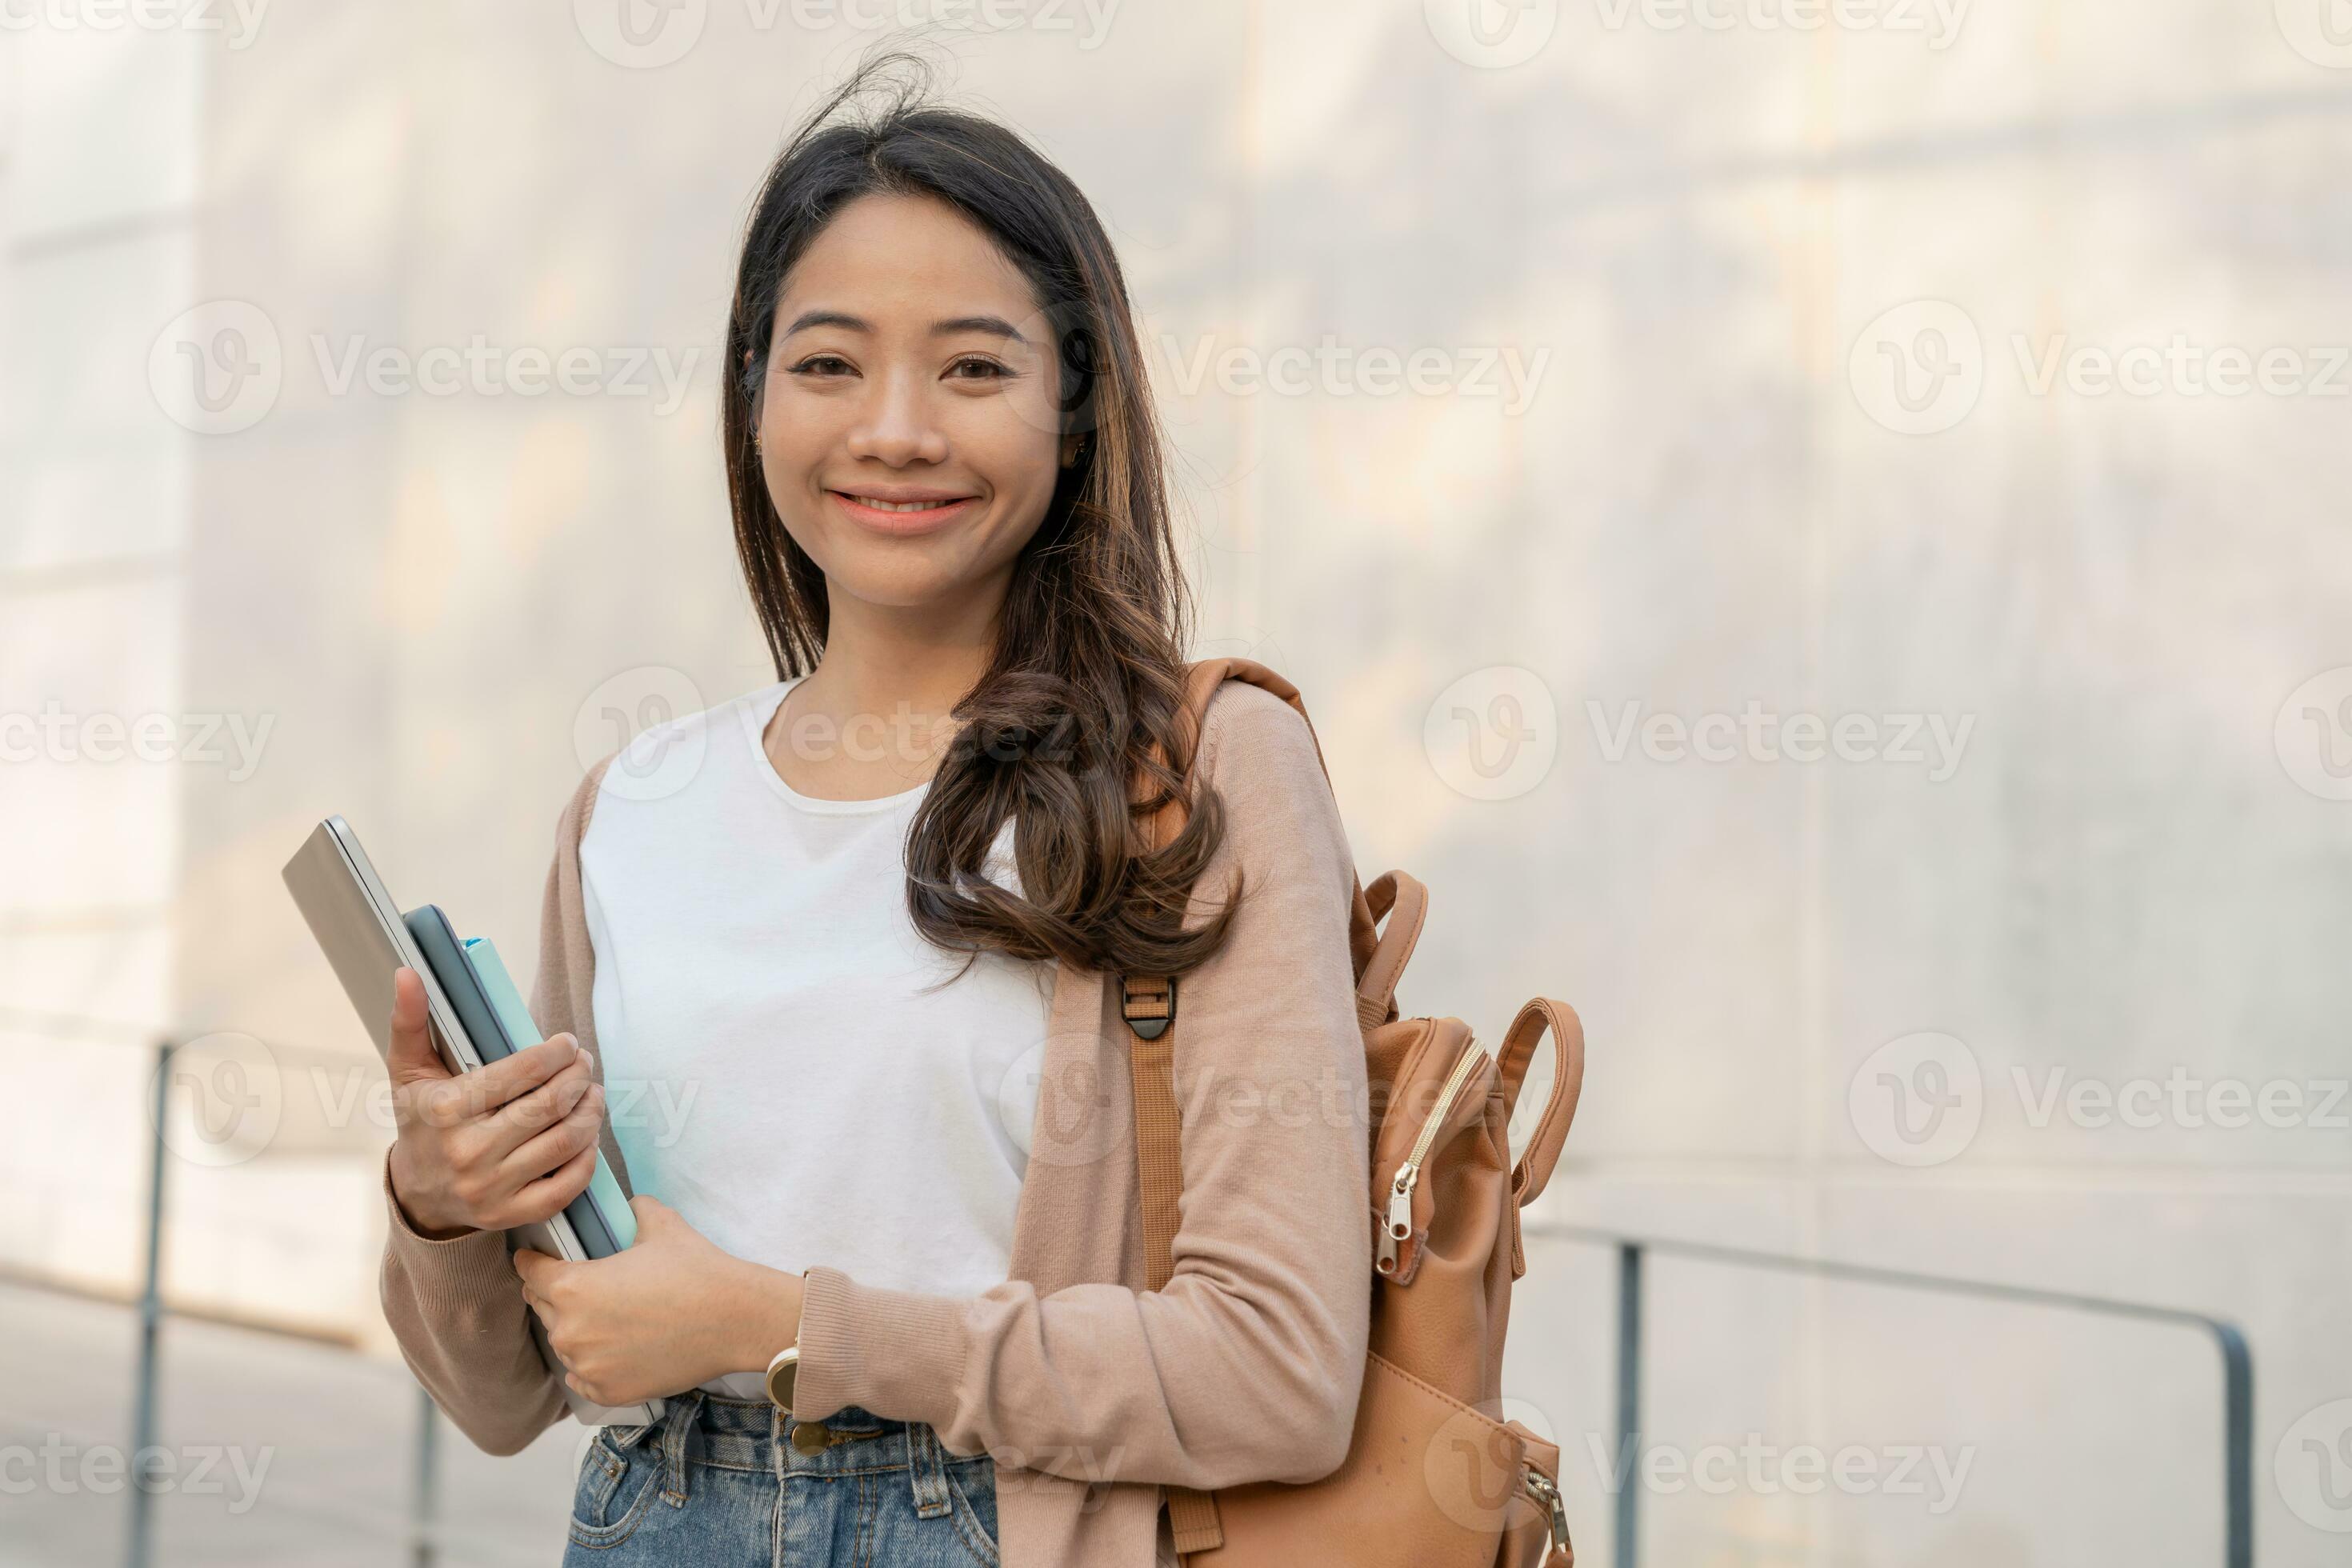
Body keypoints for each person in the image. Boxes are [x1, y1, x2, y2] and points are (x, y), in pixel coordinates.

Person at [374, 54, 1372, 1568]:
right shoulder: (632, 809)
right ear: (754, 396)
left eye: (974, 369)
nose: (895, 430)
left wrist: (787, 1330)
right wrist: (442, 1206)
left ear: (1074, 408)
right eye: (830, 363)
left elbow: (1279, 1372)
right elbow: (508, 1398)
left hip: (995, 1523)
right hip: (650, 1520)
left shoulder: (1196, 767)